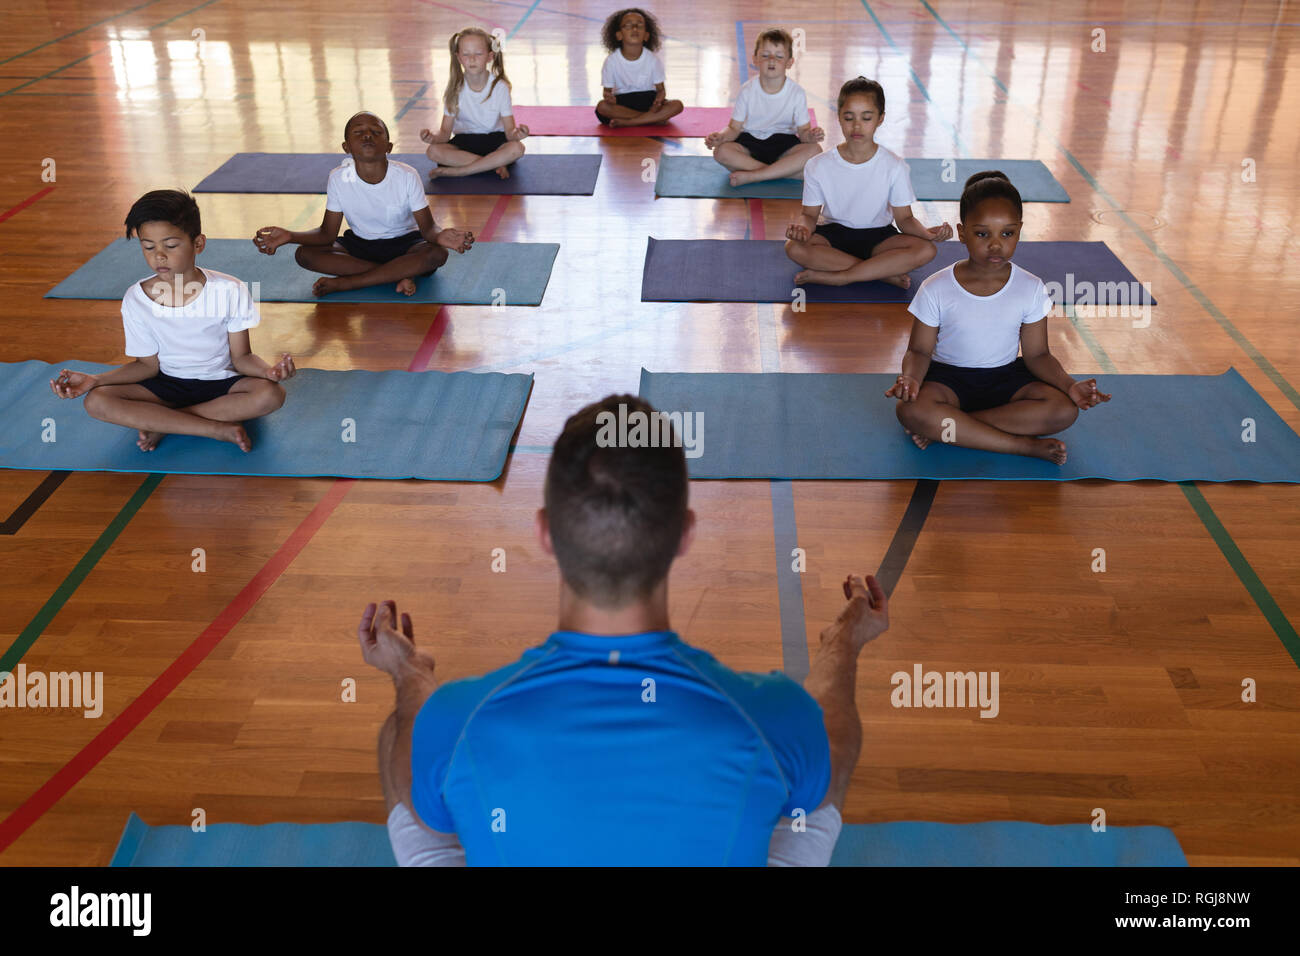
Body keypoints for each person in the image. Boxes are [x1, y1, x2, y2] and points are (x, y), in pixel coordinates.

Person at [358, 395, 891, 866]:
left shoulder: (453, 717)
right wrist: (845, 639)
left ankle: (405, 675)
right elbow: (826, 755)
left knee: (404, 733)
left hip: (444, 726)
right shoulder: (775, 710)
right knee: (822, 753)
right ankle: (843, 643)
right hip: (781, 730)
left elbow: (430, 828)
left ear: (544, 533)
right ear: (685, 534)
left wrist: (409, 673)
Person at [885, 171, 1112, 464]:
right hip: (948, 382)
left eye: (1007, 233)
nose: (995, 245)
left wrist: (1070, 385)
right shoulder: (936, 287)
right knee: (910, 411)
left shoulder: (1030, 287)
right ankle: (1021, 446)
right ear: (963, 232)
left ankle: (953, 428)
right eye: (982, 234)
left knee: (1064, 409)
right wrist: (912, 379)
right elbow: (919, 349)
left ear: (1019, 230)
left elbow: (1039, 355)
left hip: (1005, 379)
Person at [49, 189, 293, 453]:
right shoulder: (136, 299)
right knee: (96, 401)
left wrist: (268, 372)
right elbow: (146, 366)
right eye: (148, 246)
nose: (159, 256)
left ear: (198, 243)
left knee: (271, 394)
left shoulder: (230, 290)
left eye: (171, 245)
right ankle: (213, 427)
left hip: (223, 384)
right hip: (165, 386)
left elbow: (242, 357)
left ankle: (164, 424)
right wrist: (96, 380)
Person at [252, 111, 473, 297]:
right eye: (359, 132)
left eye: (376, 132)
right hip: (359, 246)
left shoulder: (406, 175)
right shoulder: (338, 178)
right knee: (304, 254)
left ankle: (350, 283)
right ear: (346, 146)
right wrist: (291, 236)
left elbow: (427, 229)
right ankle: (397, 275)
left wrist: (440, 235)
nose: (367, 135)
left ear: (388, 146)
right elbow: (327, 234)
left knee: (437, 254)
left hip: (406, 246)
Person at [784, 76, 951, 287]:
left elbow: (905, 219)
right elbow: (809, 215)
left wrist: (927, 234)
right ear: (839, 117)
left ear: (880, 118)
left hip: (880, 238)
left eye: (866, 117)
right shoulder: (818, 165)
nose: (856, 126)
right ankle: (882, 273)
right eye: (849, 117)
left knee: (926, 249)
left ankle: (840, 276)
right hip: (834, 235)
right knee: (794, 247)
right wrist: (802, 229)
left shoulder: (894, 166)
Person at [704, 28, 823, 186]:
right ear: (755, 59)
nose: (772, 60)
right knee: (721, 152)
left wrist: (811, 136)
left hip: (784, 143)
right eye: (765, 55)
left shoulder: (797, 93)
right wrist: (721, 137)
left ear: (789, 62)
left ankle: (755, 175)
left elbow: (803, 132)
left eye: (779, 56)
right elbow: (733, 128)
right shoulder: (747, 90)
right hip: (749, 142)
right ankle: (783, 172)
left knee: (815, 150)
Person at [420, 27, 528, 180]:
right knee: (433, 151)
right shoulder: (454, 89)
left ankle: (460, 171)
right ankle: (494, 165)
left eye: (478, 54)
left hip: (496, 142)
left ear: (490, 56)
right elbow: (444, 134)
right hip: (464, 143)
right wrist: (433, 139)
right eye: (466, 54)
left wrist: (518, 134)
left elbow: (510, 134)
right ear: (458, 57)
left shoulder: (500, 88)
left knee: (517, 148)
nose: (472, 59)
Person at [594, 8, 683, 128]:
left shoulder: (653, 60)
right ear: (619, 35)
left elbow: (661, 90)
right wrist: (609, 98)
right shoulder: (611, 61)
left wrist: (658, 102)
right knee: (602, 107)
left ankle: (630, 122)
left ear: (646, 35)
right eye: (628, 25)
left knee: (677, 105)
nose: (634, 28)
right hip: (623, 101)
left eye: (640, 25)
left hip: (648, 100)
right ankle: (651, 119)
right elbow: (607, 91)